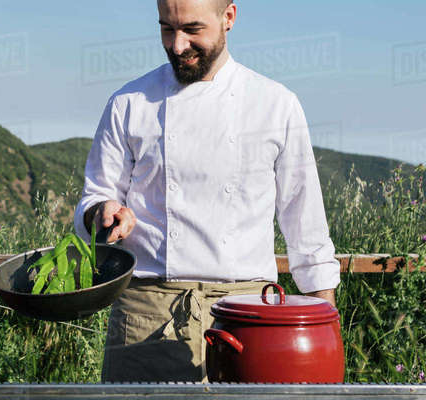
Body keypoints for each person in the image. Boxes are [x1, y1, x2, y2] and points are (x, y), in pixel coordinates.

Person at [74, 0, 340, 383]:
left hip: (249, 318)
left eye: (192, 30)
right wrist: (100, 211)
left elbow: (307, 228)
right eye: (167, 28)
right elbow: (93, 198)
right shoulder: (127, 104)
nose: (178, 45)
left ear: (229, 17)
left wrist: (325, 331)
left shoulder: (276, 105)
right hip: (146, 315)